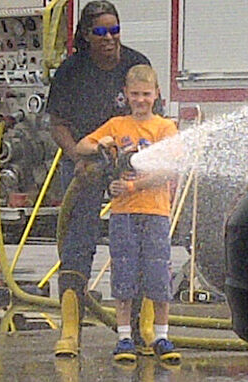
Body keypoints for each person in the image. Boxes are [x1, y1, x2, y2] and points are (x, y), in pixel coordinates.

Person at [46, 0, 153, 358]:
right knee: (77, 240)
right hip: (85, 164)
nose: (109, 39)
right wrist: (78, 155)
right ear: (86, 36)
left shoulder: (135, 65)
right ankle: (71, 331)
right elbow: (58, 124)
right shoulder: (71, 72)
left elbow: (149, 113)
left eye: (115, 30)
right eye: (101, 32)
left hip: (128, 161)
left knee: (137, 240)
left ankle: (140, 330)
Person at [76, 64, 181, 365]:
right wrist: (103, 143)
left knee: (159, 275)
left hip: (156, 212)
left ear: (156, 94)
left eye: (146, 94)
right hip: (122, 215)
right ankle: (124, 337)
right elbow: (84, 145)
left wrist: (133, 186)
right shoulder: (117, 125)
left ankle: (160, 335)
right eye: (135, 94)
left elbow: (169, 170)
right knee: (123, 275)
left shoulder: (165, 129)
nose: (140, 100)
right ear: (126, 94)